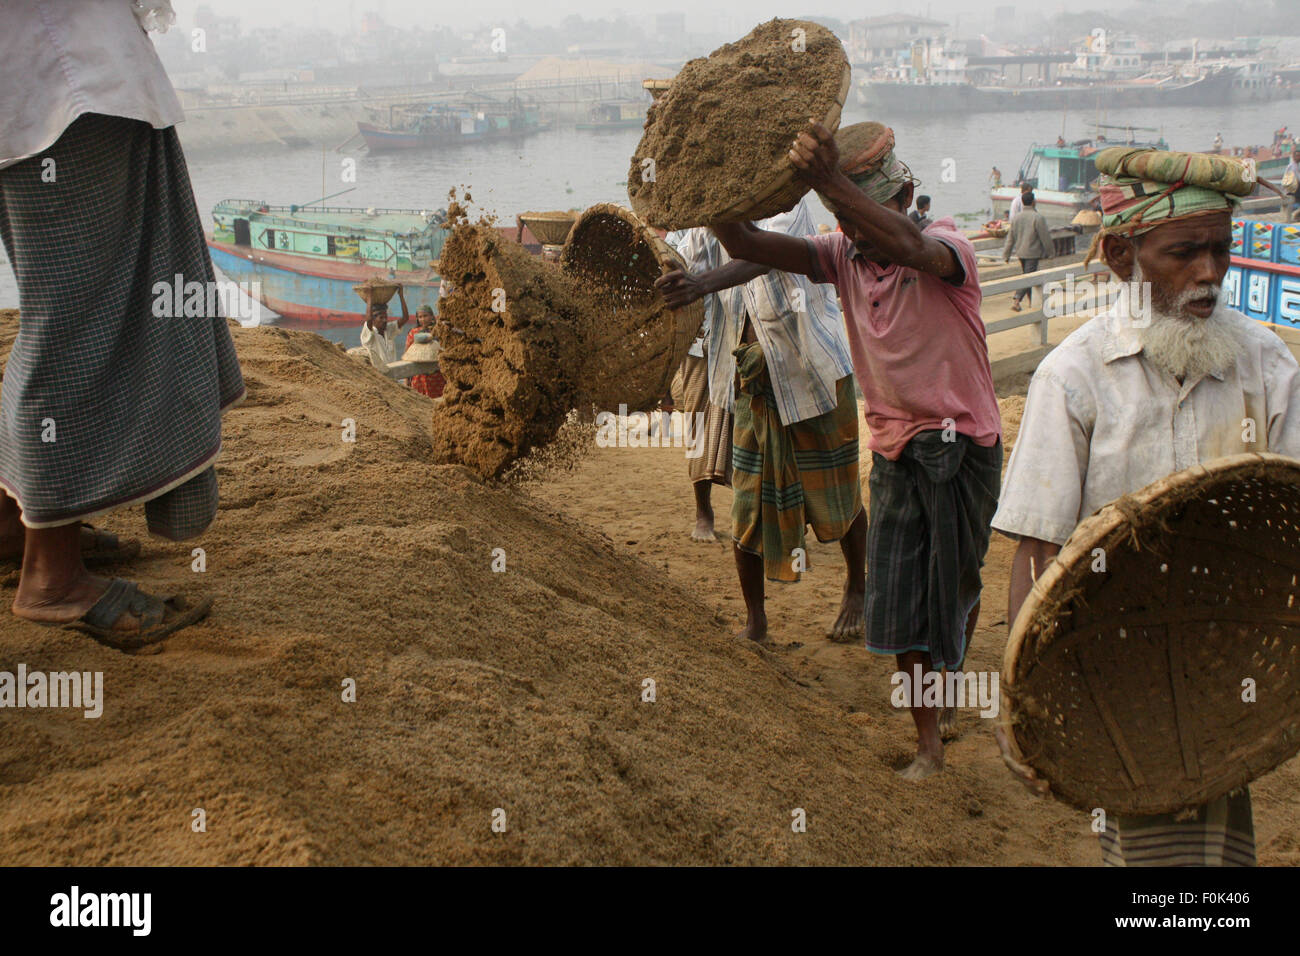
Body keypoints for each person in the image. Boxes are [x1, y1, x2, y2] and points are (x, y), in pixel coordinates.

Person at [993, 149, 1300, 866]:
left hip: (1233, 655)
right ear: (1120, 254)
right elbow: (1038, 551)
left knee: (1212, 835)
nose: (1210, 273)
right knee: (1151, 838)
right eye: (1183, 253)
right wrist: (1022, 702)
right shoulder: (1073, 378)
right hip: (1116, 665)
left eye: (1222, 250)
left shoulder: (1267, 366)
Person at [712, 123, 1002, 779]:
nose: (856, 231)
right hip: (895, 448)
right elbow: (745, 242)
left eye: (862, 212)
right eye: (845, 218)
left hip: (964, 445)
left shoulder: (947, 248)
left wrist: (829, 185)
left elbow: (906, 243)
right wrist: (719, 181)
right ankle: (928, 743)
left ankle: (947, 682)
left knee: (950, 588)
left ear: (903, 197)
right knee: (900, 597)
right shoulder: (841, 254)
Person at [0, 0, 245, 649]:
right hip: (63, 83)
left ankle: (11, 522)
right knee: (73, 322)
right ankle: (51, 577)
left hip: (45, 83)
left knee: (59, 304)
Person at [657, 196, 867, 645]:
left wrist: (699, 284)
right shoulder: (707, 221)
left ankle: (857, 587)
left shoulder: (783, 201)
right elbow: (682, 259)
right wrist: (669, 274)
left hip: (812, 370)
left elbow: (760, 253)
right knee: (747, 502)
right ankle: (756, 620)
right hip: (748, 382)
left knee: (840, 491)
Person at [662, 228, 735, 541]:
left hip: (740, 336)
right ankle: (703, 512)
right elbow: (670, 273)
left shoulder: (746, 219)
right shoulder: (681, 233)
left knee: (755, 426)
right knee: (697, 427)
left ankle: (765, 515)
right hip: (699, 343)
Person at [1003, 191, 1055, 311]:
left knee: (1028, 275)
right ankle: (1016, 300)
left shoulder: (1016, 217)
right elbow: (1045, 237)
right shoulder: (1038, 217)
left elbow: (1010, 238)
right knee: (1028, 277)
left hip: (1020, 252)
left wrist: (1006, 254)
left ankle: (1033, 302)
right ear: (1033, 202)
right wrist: (1051, 252)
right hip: (1033, 253)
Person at [359, 289, 411, 372]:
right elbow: (368, 319)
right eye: (381, 318)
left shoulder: (389, 329)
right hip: (378, 374)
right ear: (373, 320)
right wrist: (369, 298)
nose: (384, 320)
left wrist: (401, 296)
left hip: (392, 372)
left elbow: (405, 318)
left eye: (386, 317)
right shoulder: (369, 334)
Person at [404, 304, 445, 398]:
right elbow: (407, 355)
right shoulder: (413, 333)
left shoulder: (438, 331)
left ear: (431, 316)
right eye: (420, 317)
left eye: (425, 316)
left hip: (437, 376)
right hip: (418, 376)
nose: (423, 319)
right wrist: (406, 380)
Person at [1284, 148, 1300, 222]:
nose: (1299, 157)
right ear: (1293, 157)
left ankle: (1296, 216)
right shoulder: (1292, 166)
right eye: (1297, 156)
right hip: (1294, 189)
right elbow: (1293, 179)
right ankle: (1295, 216)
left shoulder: (1296, 166)